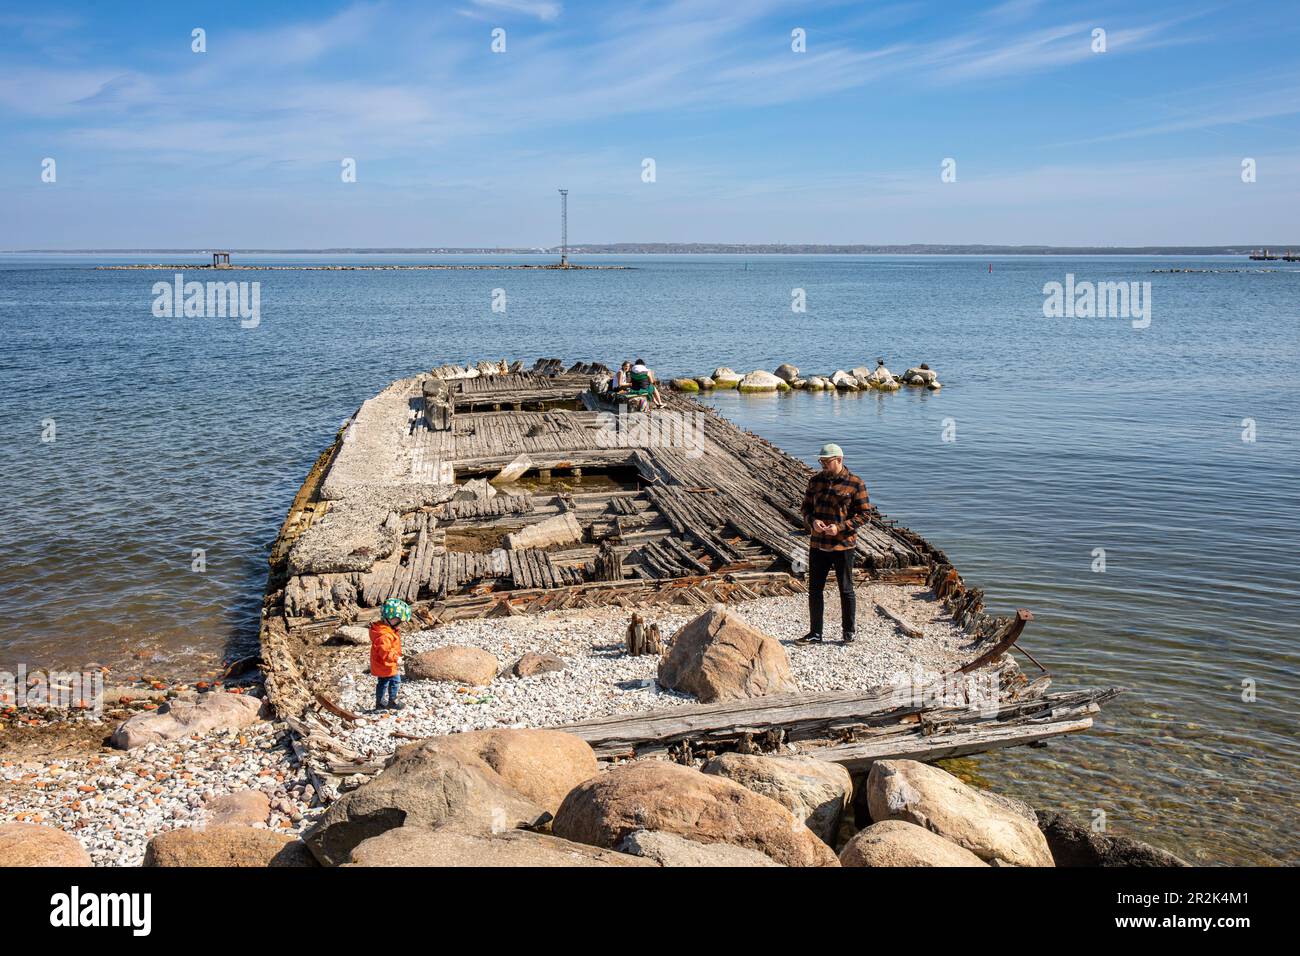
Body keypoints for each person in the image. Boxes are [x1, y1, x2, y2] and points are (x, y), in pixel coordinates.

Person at [797, 443, 871, 644]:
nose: (822, 465)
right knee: (814, 590)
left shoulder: (856, 483)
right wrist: (812, 521)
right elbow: (805, 509)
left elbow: (865, 515)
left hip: (843, 546)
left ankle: (848, 632)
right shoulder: (815, 481)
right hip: (818, 544)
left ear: (839, 460)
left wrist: (840, 527)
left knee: (846, 590)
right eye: (820, 461)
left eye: (826, 462)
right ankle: (815, 633)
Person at [370, 598, 410, 710]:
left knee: (389, 682)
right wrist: (396, 658)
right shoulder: (384, 635)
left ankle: (387, 701)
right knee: (387, 682)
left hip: (387, 664)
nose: (400, 623)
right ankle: (384, 703)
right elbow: (385, 651)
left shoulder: (387, 630)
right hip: (384, 664)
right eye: (398, 619)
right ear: (389, 618)